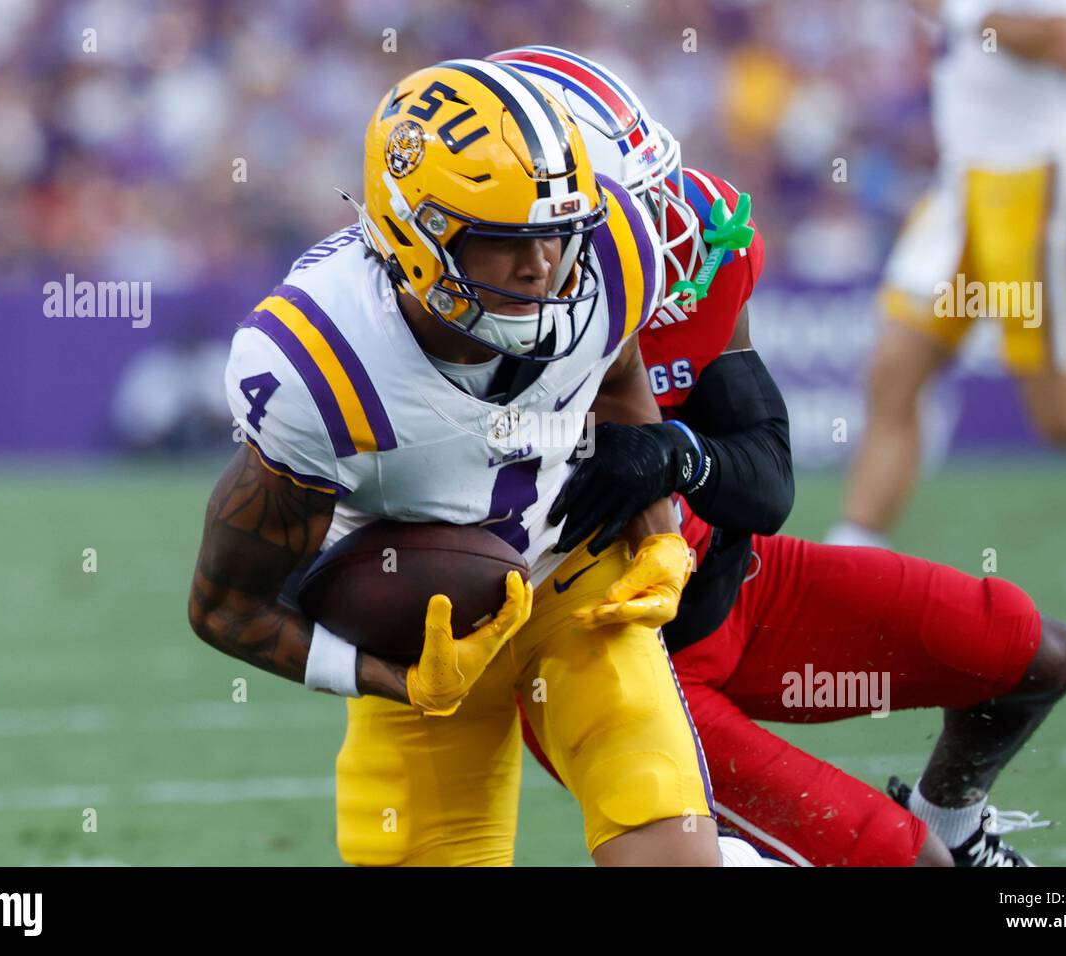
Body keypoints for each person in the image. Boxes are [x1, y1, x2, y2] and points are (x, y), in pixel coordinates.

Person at [490, 45, 1066, 866]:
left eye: (655, 191)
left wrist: (678, 455)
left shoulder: (699, 247)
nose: (662, 226)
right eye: (627, 205)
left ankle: (957, 823)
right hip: (616, 657)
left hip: (734, 586)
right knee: (904, 863)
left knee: (1033, 653)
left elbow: (765, 482)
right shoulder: (462, 333)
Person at [188, 58, 729, 866]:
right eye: (505, 241)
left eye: (555, 235)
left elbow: (612, 370)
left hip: (576, 579)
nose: (543, 267)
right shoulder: (323, 363)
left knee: (670, 846)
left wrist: (658, 530)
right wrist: (388, 676)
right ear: (416, 232)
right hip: (423, 628)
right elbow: (226, 608)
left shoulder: (609, 249)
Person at [828, 0, 1066, 550]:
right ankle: (852, 550)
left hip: (1034, 185)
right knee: (893, 373)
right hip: (965, 184)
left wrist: (965, 13)